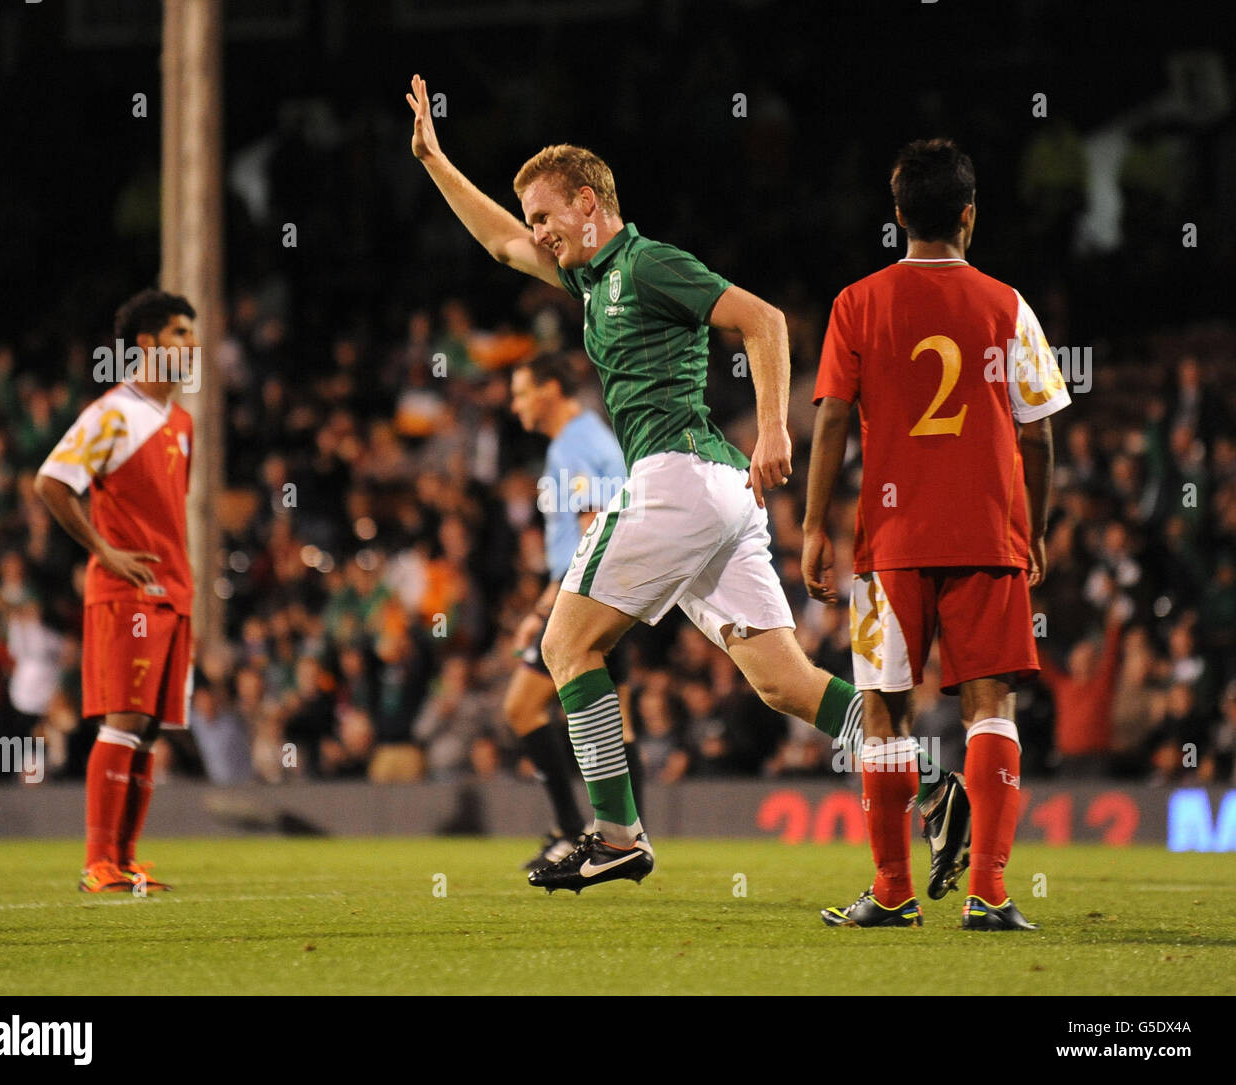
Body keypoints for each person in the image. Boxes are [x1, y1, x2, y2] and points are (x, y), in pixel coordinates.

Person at [406, 75, 965, 893]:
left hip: (679, 477)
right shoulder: (590, 282)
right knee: (783, 681)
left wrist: (773, 424)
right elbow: (497, 244)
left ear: (590, 202)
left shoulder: (649, 263)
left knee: (566, 645)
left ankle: (617, 832)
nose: (538, 233)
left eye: (546, 215)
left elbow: (764, 319)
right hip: (713, 496)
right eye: (533, 220)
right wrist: (434, 158)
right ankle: (932, 783)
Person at [802, 139, 1070, 930]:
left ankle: (892, 893)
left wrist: (815, 524)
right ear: (969, 215)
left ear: (897, 217)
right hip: (989, 534)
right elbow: (1041, 434)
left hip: (889, 542)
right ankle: (989, 891)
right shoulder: (1006, 303)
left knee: (884, 709)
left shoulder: (857, 302)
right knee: (991, 702)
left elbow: (831, 421)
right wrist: (1036, 527)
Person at [35, 289, 198, 893]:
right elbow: (52, 482)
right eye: (181, 333)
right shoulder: (112, 413)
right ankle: (96, 861)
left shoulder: (181, 421)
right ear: (149, 344)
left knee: (151, 728)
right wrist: (102, 550)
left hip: (174, 592)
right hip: (127, 592)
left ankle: (126, 860)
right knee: (123, 721)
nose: (193, 344)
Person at [505, 353, 643, 869]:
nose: (515, 403)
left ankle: (571, 829)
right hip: (620, 587)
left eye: (521, 391)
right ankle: (631, 840)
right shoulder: (594, 436)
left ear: (550, 389)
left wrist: (545, 606)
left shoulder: (573, 446)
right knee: (620, 722)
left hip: (586, 589)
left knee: (520, 708)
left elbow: (590, 527)